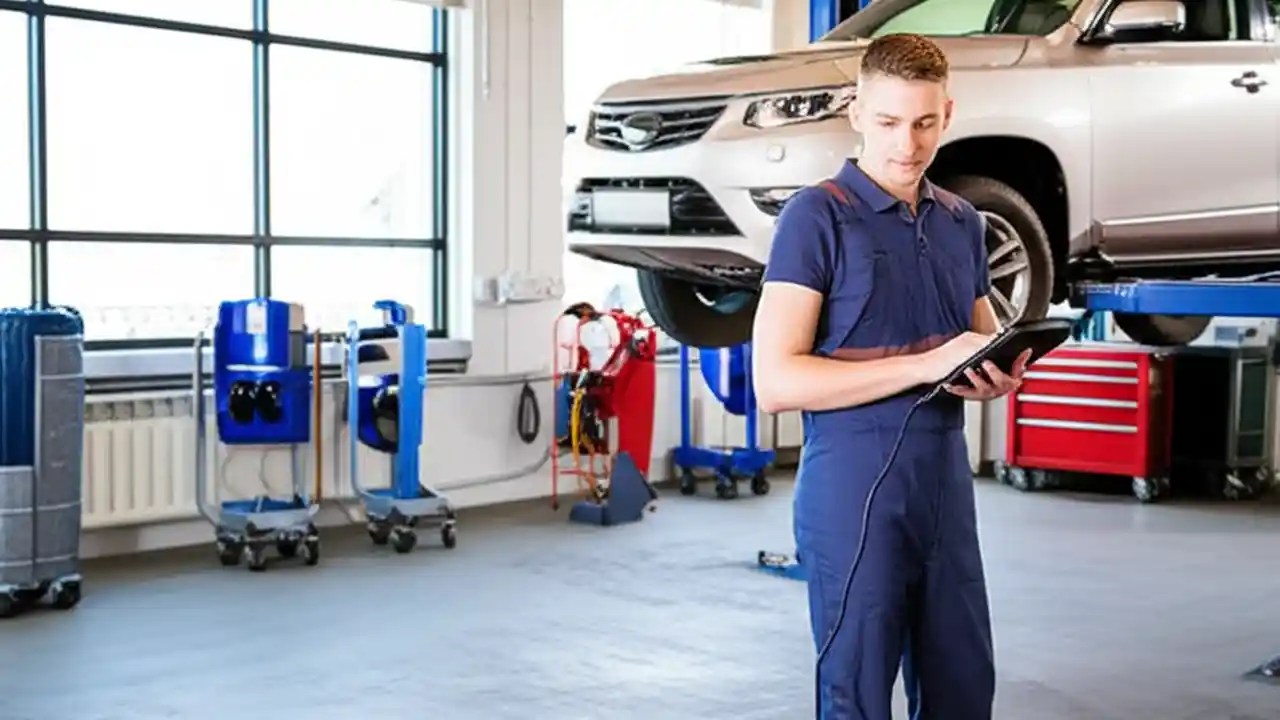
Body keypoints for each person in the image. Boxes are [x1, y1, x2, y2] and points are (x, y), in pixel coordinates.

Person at [751, 33, 1030, 720]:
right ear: (856, 113)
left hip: (943, 481)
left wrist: (991, 373)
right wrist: (922, 364)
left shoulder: (962, 221)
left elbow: (973, 339)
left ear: (949, 114)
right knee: (858, 693)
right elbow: (776, 382)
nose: (908, 143)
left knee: (964, 686)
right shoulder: (815, 217)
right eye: (888, 122)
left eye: (925, 122)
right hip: (852, 485)